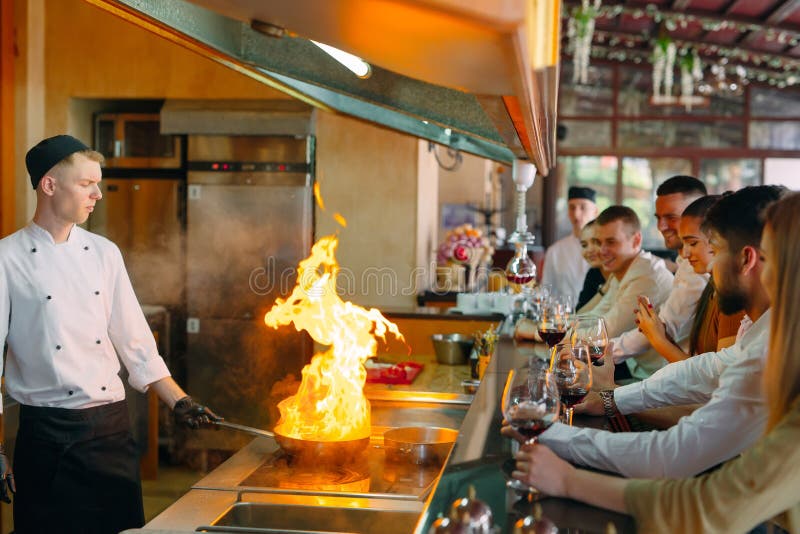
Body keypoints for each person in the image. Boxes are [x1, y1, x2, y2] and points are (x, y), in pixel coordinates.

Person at [511, 191, 800, 534]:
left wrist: (565, 468)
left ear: (753, 260)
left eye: (713, 248)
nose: (702, 261)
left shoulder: (767, 348)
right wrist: (608, 400)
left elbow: (685, 472)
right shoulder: (765, 333)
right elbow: (700, 371)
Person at [0, 135, 221, 533]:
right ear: (50, 185)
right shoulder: (7, 258)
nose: (97, 195)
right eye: (87, 184)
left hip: (111, 432)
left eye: (98, 184)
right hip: (47, 436)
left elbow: (134, 341)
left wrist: (179, 400)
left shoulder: (104, 252)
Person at [608, 176, 709, 380]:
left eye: (671, 217)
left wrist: (599, 353)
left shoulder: (696, 271)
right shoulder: (685, 263)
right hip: (670, 378)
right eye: (658, 217)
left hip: (681, 382)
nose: (661, 226)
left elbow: (664, 329)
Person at [636, 195, 745, 361]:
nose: (685, 254)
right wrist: (658, 333)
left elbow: (716, 378)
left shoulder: (734, 297)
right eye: (683, 243)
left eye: (693, 243)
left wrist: (658, 339)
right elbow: (697, 366)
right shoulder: (712, 285)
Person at [576, 205, 673, 340]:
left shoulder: (647, 276)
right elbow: (594, 316)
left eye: (611, 242)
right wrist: (554, 327)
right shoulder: (622, 269)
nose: (602, 251)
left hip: (667, 361)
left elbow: (605, 332)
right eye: (598, 242)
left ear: (636, 241)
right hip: (627, 358)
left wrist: (548, 333)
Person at [541, 186, 598, 306]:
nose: (576, 214)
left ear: (595, 211)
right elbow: (546, 293)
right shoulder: (555, 251)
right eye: (572, 208)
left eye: (583, 207)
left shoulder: (604, 250)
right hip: (564, 319)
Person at [575, 219, 607, 310]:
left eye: (596, 242)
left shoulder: (622, 275)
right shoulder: (593, 274)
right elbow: (579, 314)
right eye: (584, 245)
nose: (589, 250)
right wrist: (604, 290)